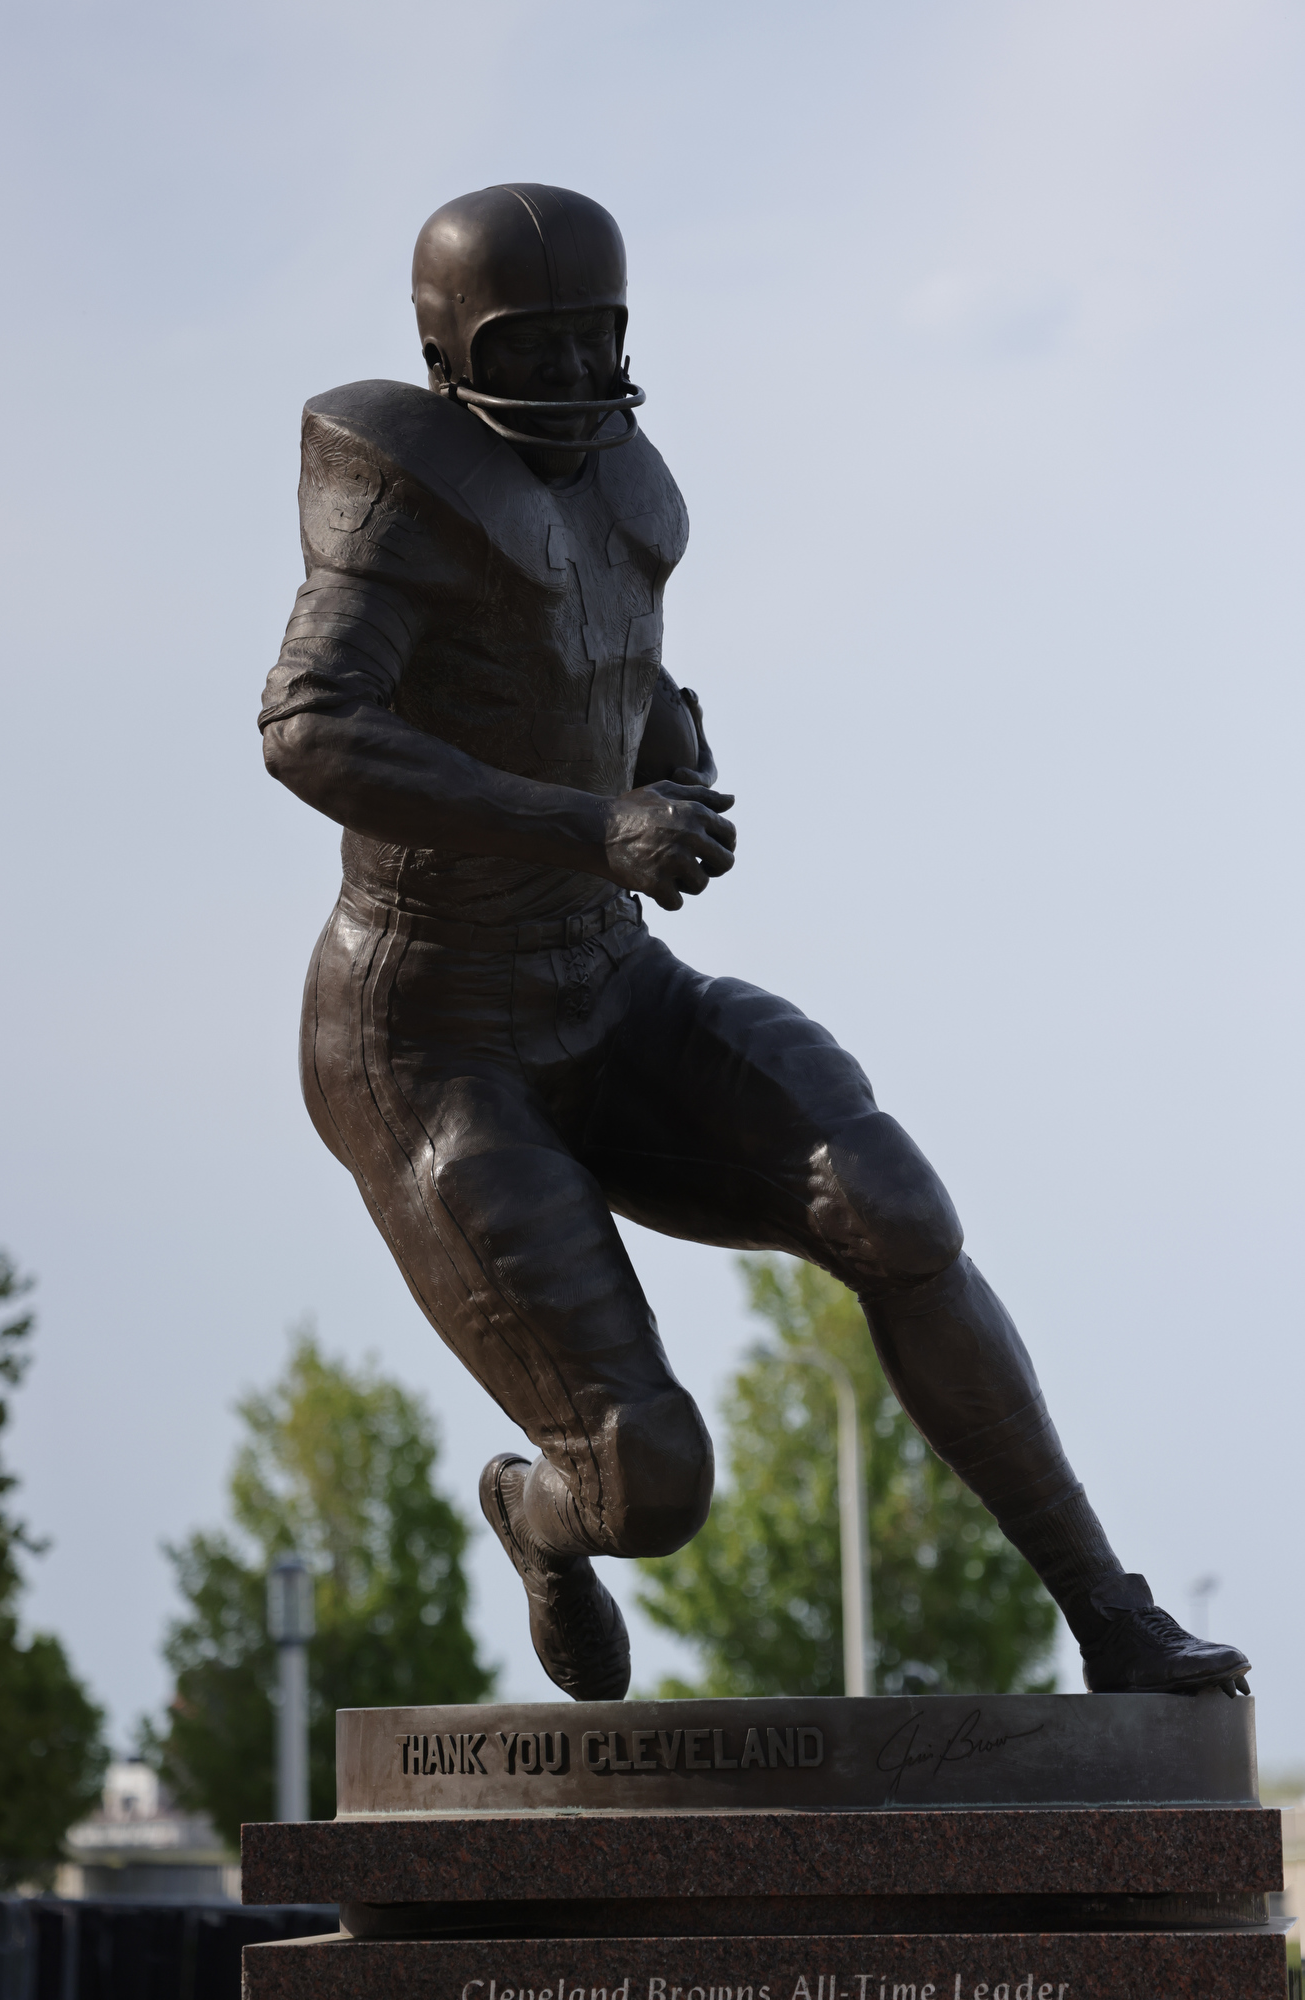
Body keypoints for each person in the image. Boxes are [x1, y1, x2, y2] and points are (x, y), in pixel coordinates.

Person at [259, 183, 1249, 1703]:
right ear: (449, 352)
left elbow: (599, 667)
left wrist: (668, 752)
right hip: (435, 1039)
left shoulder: (625, 486)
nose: (584, 382)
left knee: (895, 1208)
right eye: (543, 350)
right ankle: (533, 1513)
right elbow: (312, 726)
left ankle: (1111, 1617)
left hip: (610, 981)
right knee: (649, 1485)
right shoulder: (400, 488)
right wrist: (591, 826)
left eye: (603, 343)